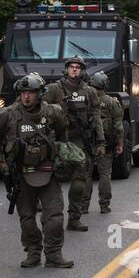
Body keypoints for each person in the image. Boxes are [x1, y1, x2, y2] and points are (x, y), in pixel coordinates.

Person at [0, 73, 74, 269]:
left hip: (48, 171)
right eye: (23, 92)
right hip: (21, 174)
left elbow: (63, 133)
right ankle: (33, 252)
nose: (26, 96)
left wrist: (61, 154)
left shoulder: (53, 112)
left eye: (31, 92)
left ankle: (54, 254)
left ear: (40, 93)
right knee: (27, 219)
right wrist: (1, 163)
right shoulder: (8, 114)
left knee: (54, 217)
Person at [44, 56, 104, 232]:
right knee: (52, 181)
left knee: (79, 183)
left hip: (80, 141)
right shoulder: (54, 89)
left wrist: (100, 142)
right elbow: (39, 109)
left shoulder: (89, 92)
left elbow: (96, 117)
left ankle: (74, 218)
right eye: (72, 67)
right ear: (66, 69)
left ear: (82, 70)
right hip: (57, 140)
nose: (75, 70)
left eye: (78, 67)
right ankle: (52, 218)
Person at [88, 72, 125, 215]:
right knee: (104, 174)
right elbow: (118, 126)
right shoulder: (111, 102)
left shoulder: (85, 99)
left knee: (86, 174)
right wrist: (120, 143)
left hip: (87, 142)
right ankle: (104, 205)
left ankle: (83, 206)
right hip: (106, 143)